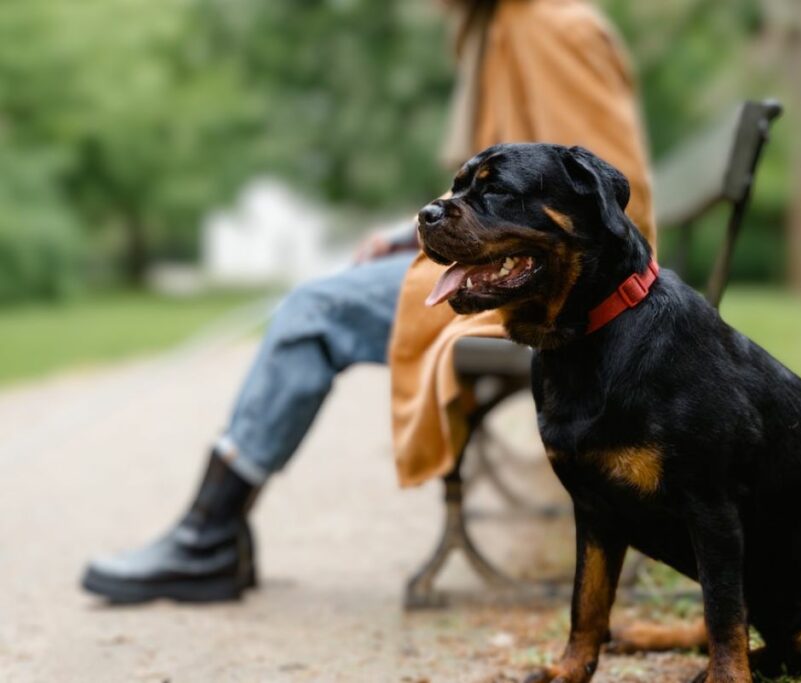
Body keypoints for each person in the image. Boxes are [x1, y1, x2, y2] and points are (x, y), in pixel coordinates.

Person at [82, 0, 656, 603]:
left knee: (314, 311)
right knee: (323, 295)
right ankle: (213, 534)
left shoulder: (553, 29)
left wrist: (498, 262)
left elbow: (612, 198)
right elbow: (503, 191)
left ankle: (208, 540)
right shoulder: (503, 28)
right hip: (505, 264)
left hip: (563, 293)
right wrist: (406, 237)